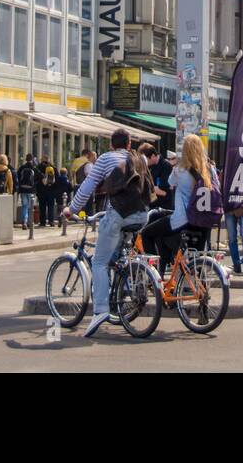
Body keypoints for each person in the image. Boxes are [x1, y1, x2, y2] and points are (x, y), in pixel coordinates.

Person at [62, 129, 152, 338]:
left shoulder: (105, 158)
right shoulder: (140, 159)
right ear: (130, 144)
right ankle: (124, 281)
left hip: (119, 213)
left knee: (99, 262)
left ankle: (101, 310)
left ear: (112, 144)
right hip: (141, 215)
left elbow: (88, 186)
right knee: (116, 254)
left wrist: (71, 209)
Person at [139, 134, 211, 271]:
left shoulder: (180, 170)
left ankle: (154, 273)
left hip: (183, 219)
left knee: (147, 232)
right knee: (196, 256)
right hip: (204, 221)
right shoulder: (209, 170)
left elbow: (170, 183)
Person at [142, 143, 174, 213]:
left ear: (153, 156)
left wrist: (148, 188)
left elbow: (165, 192)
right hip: (150, 207)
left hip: (163, 209)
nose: (144, 162)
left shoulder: (166, 166)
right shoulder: (149, 166)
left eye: (145, 160)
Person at [16, 154, 38, 229]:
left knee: (24, 206)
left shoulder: (22, 168)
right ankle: (30, 222)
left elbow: (17, 177)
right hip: (31, 190)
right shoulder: (34, 168)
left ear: (26, 159)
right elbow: (40, 176)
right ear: (32, 159)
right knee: (30, 207)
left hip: (23, 189)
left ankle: (24, 222)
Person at [37, 155, 58, 227]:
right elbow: (57, 179)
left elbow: (36, 179)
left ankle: (42, 222)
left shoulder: (39, 167)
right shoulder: (53, 168)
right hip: (51, 190)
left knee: (42, 206)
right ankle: (51, 221)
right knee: (51, 206)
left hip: (41, 190)